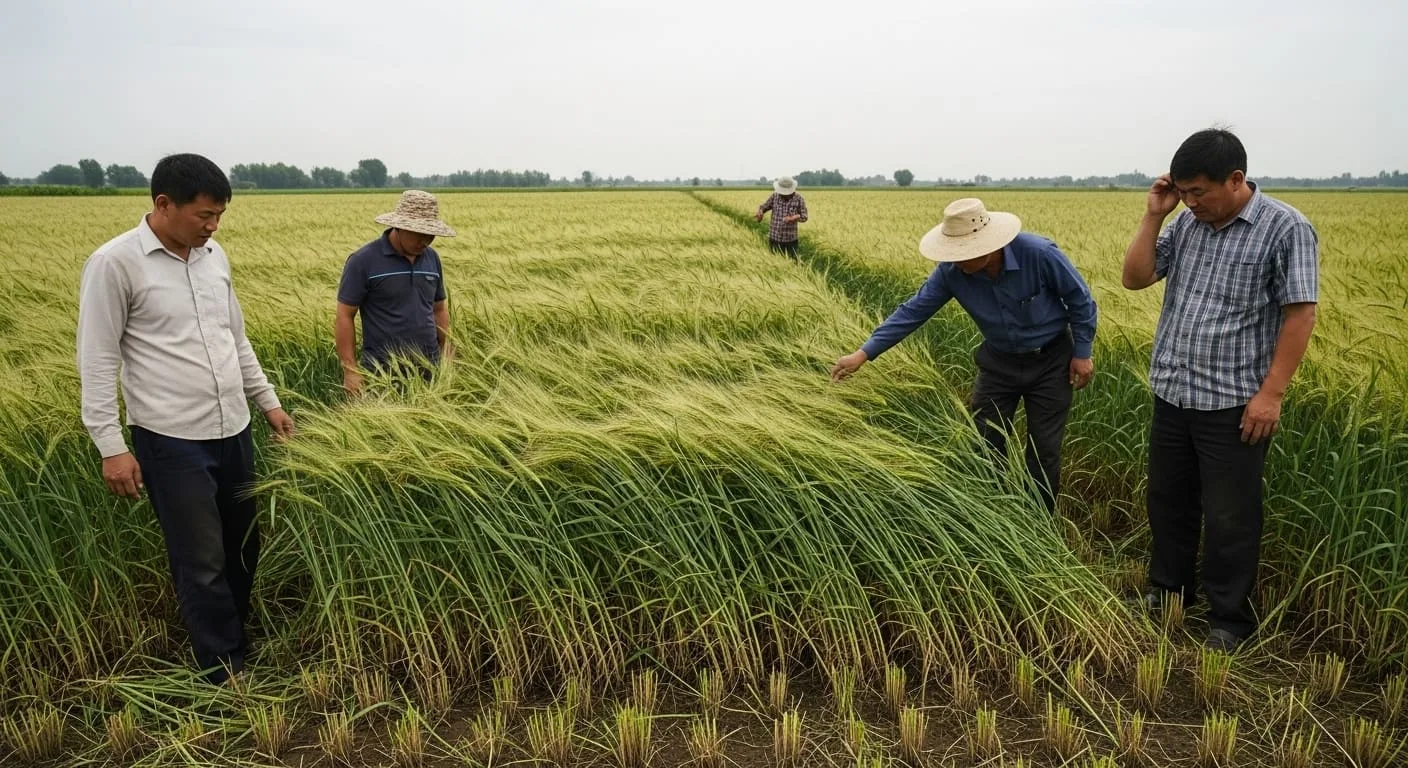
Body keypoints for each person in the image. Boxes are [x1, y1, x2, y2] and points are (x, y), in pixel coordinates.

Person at [76, 153, 295, 684]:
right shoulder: (115, 263)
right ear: (163, 204)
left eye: (219, 215)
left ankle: (232, 633)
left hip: (233, 426)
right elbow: (98, 358)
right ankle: (224, 667)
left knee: (244, 543)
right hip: (171, 437)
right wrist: (111, 445)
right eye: (204, 215)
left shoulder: (214, 256)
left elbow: (234, 338)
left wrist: (268, 402)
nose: (213, 226)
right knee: (200, 557)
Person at [1121, 128, 1318, 651]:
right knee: (1168, 499)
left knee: (1230, 513)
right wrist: (1154, 215)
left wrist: (1271, 394)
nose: (1191, 202)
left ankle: (1229, 619)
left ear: (1235, 179)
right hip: (1174, 390)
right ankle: (1168, 594)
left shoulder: (1285, 228)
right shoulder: (1186, 224)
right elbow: (1135, 279)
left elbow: (1300, 313)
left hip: (1234, 401)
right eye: (1182, 192)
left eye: (1198, 192)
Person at [831, 198, 1097, 512]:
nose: (956, 261)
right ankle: (993, 515)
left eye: (963, 253)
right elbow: (914, 311)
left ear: (989, 245)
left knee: (1043, 451)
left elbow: (1081, 300)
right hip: (999, 363)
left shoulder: (1039, 254)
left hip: (1052, 361)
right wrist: (863, 354)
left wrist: (1082, 352)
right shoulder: (951, 273)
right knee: (984, 443)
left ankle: (1037, 522)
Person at [335, 190, 457, 396]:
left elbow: (439, 309)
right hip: (382, 373)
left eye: (431, 235)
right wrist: (350, 370)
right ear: (399, 227)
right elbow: (344, 316)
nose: (425, 241)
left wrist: (447, 350)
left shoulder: (432, 258)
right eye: (420, 234)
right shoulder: (363, 261)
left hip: (431, 369)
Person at [754, 176, 808, 258]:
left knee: (791, 262)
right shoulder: (775, 196)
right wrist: (760, 212)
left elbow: (804, 216)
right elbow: (764, 207)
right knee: (774, 261)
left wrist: (795, 217)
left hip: (790, 240)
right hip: (774, 238)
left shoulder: (799, 199)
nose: (782, 194)